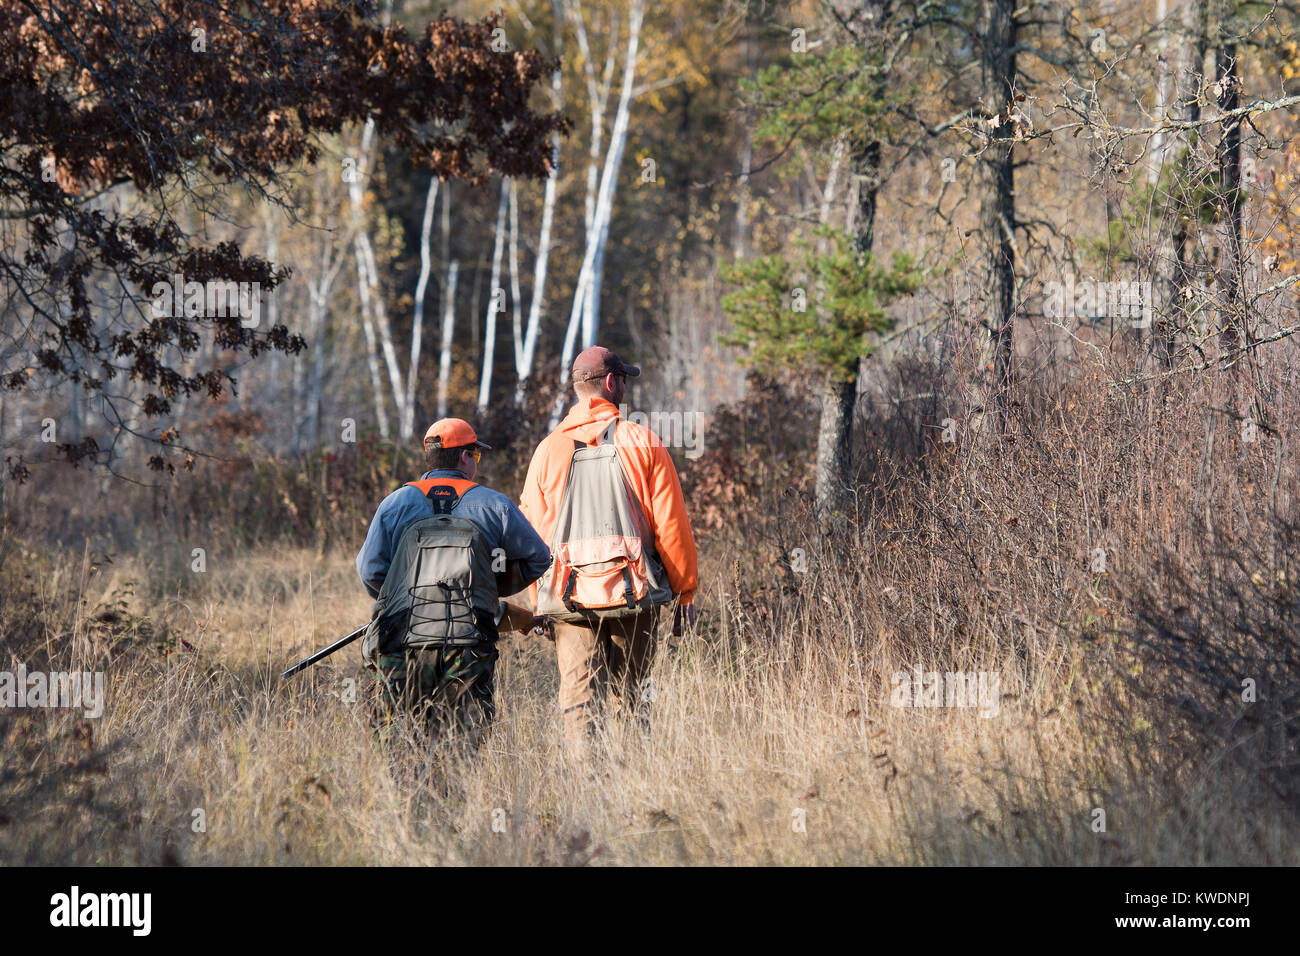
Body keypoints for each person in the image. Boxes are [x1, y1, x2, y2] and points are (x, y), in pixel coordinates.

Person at [520, 346, 698, 758]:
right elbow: (671, 525)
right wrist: (685, 591)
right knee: (633, 697)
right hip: (633, 597)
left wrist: (539, 602)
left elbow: (530, 535)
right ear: (612, 383)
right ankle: (632, 786)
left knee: (580, 703)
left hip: (569, 599)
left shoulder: (547, 451)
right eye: (625, 381)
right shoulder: (643, 441)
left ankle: (589, 795)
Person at [356, 418, 551, 745]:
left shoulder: (394, 504)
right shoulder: (495, 505)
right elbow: (538, 558)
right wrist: (482, 588)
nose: (476, 462)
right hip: (469, 640)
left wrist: (409, 596)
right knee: (462, 751)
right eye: (476, 455)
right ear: (464, 457)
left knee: (401, 747)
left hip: (401, 639)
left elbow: (370, 572)